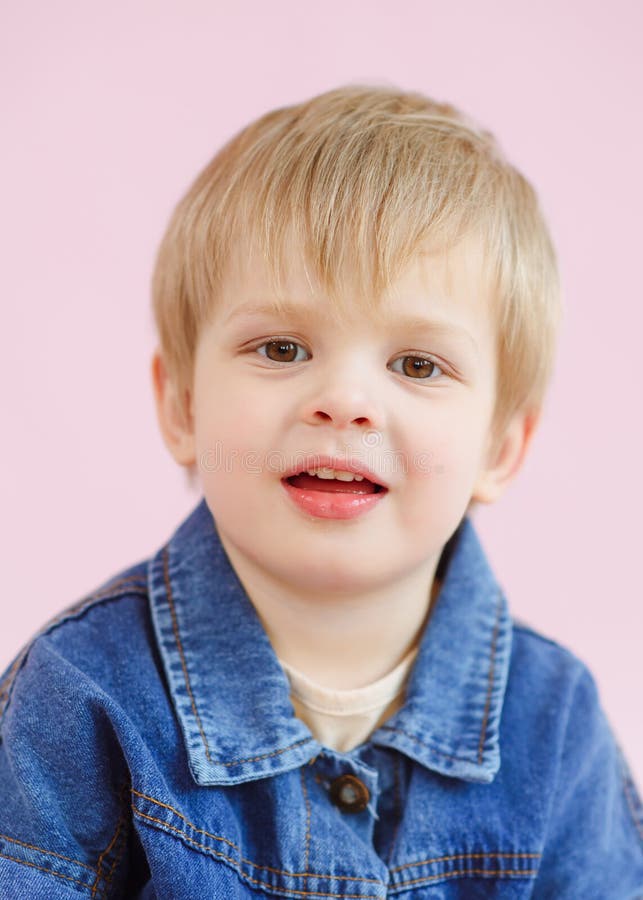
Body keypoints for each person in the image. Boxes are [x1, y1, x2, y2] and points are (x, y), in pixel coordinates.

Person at [1, 85, 641, 899]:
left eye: (416, 364)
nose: (343, 400)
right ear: (183, 406)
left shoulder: (554, 725)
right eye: (281, 348)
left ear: (499, 446)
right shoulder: (81, 695)